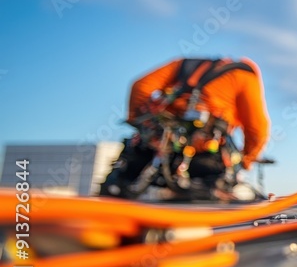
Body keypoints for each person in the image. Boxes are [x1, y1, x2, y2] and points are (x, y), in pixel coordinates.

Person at [99, 57, 270, 201]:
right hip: (204, 161)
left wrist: (149, 133)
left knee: (119, 188)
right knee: (212, 198)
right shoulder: (245, 76)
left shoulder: (183, 65)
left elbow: (140, 87)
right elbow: (257, 128)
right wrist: (247, 161)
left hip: (152, 155)